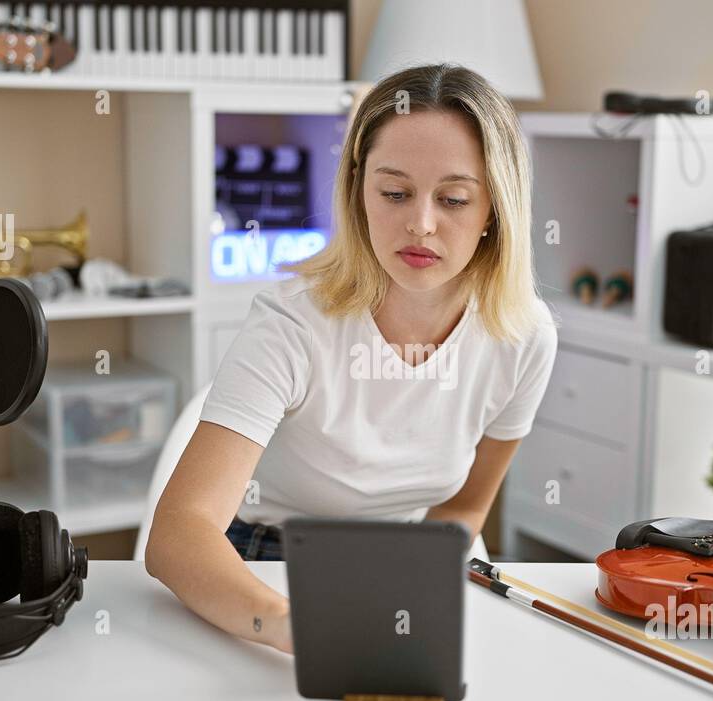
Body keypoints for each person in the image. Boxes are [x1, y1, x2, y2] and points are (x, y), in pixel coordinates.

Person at [145, 62, 559, 655]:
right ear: (358, 189)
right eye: (394, 192)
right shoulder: (291, 322)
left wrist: (409, 588)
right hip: (266, 566)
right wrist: (301, 627)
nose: (420, 224)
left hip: (405, 559)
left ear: (495, 207)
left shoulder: (524, 335)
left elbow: (464, 508)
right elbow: (178, 532)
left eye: (453, 199)